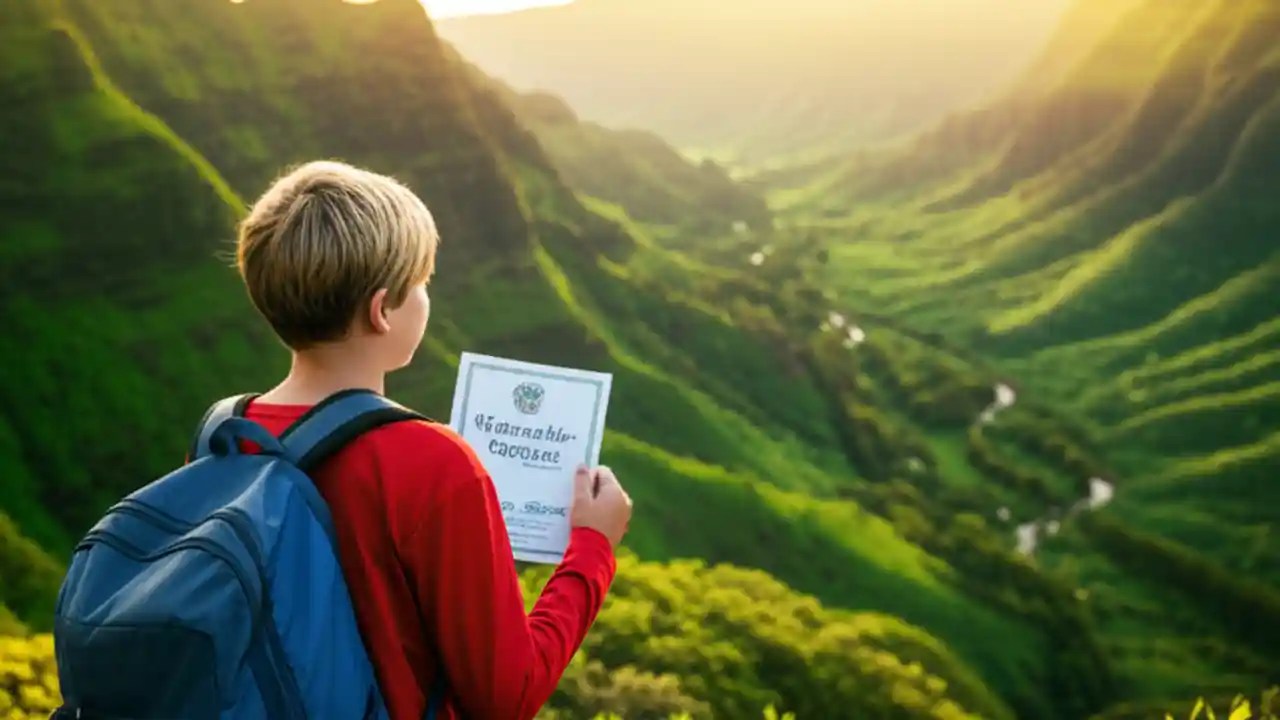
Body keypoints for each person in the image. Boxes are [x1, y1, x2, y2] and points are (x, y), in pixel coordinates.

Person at [231, 160, 632, 719]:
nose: (426, 296)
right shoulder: (434, 464)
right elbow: (506, 697)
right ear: (381, 311)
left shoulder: (228, 433)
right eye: (420, 283)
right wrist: (593, 547)